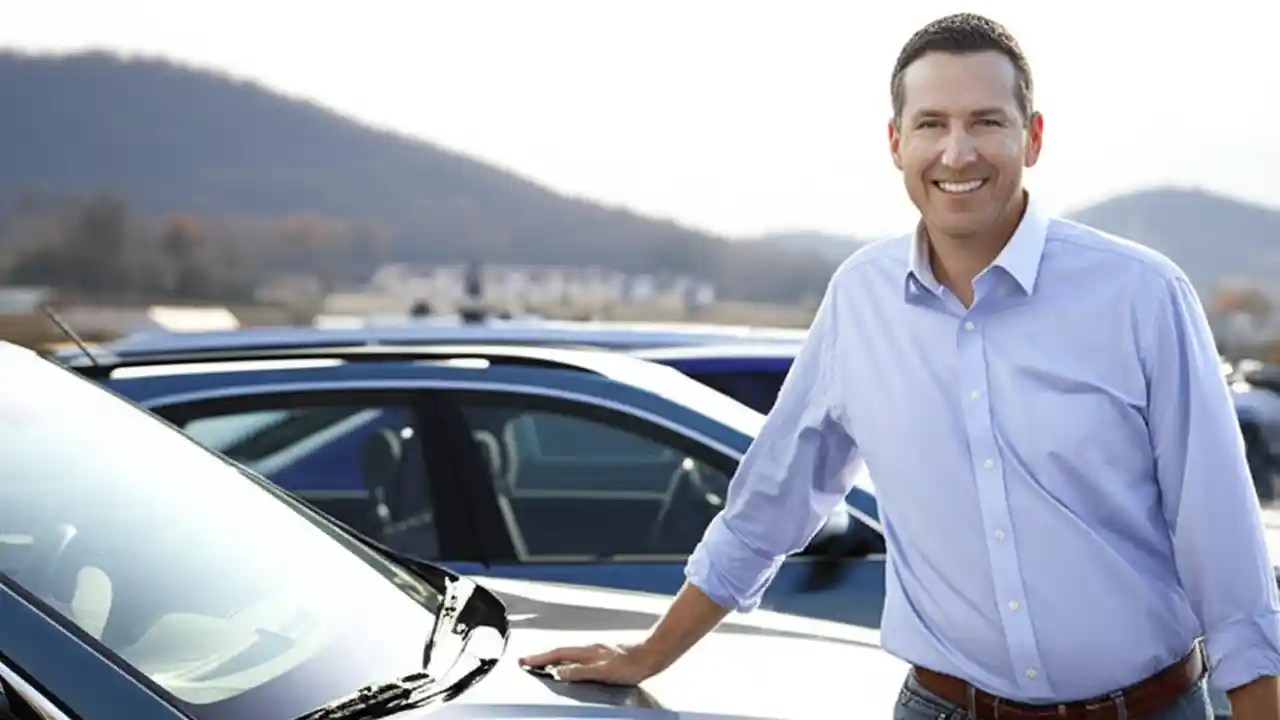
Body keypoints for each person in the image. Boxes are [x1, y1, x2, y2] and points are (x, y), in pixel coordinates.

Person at [520, 12, 1280, 719]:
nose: (958, 153)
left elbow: (1222, 542)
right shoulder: (861, 299)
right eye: (932, 125)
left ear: (1033, 137)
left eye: (987, 121)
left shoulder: (1142, 296)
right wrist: (652, 651)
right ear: (895, 144)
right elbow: (771, 503)